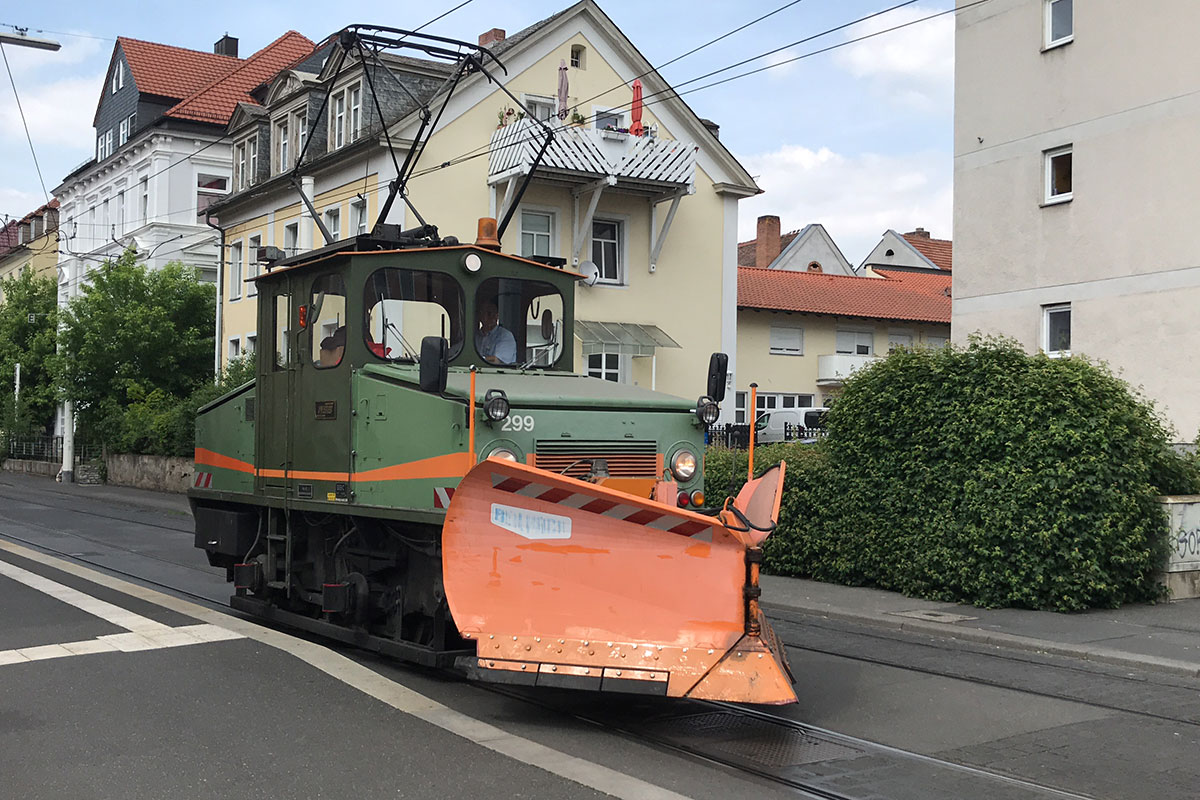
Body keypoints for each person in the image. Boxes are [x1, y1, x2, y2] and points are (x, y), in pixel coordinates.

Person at [476, 299, 516, 365]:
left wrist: (477, 360)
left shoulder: (505, 336)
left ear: (496, 316)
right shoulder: (475, 336)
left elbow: (497, 360)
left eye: (489, 313)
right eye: (481, 312)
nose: (485, 316)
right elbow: (456, 350)